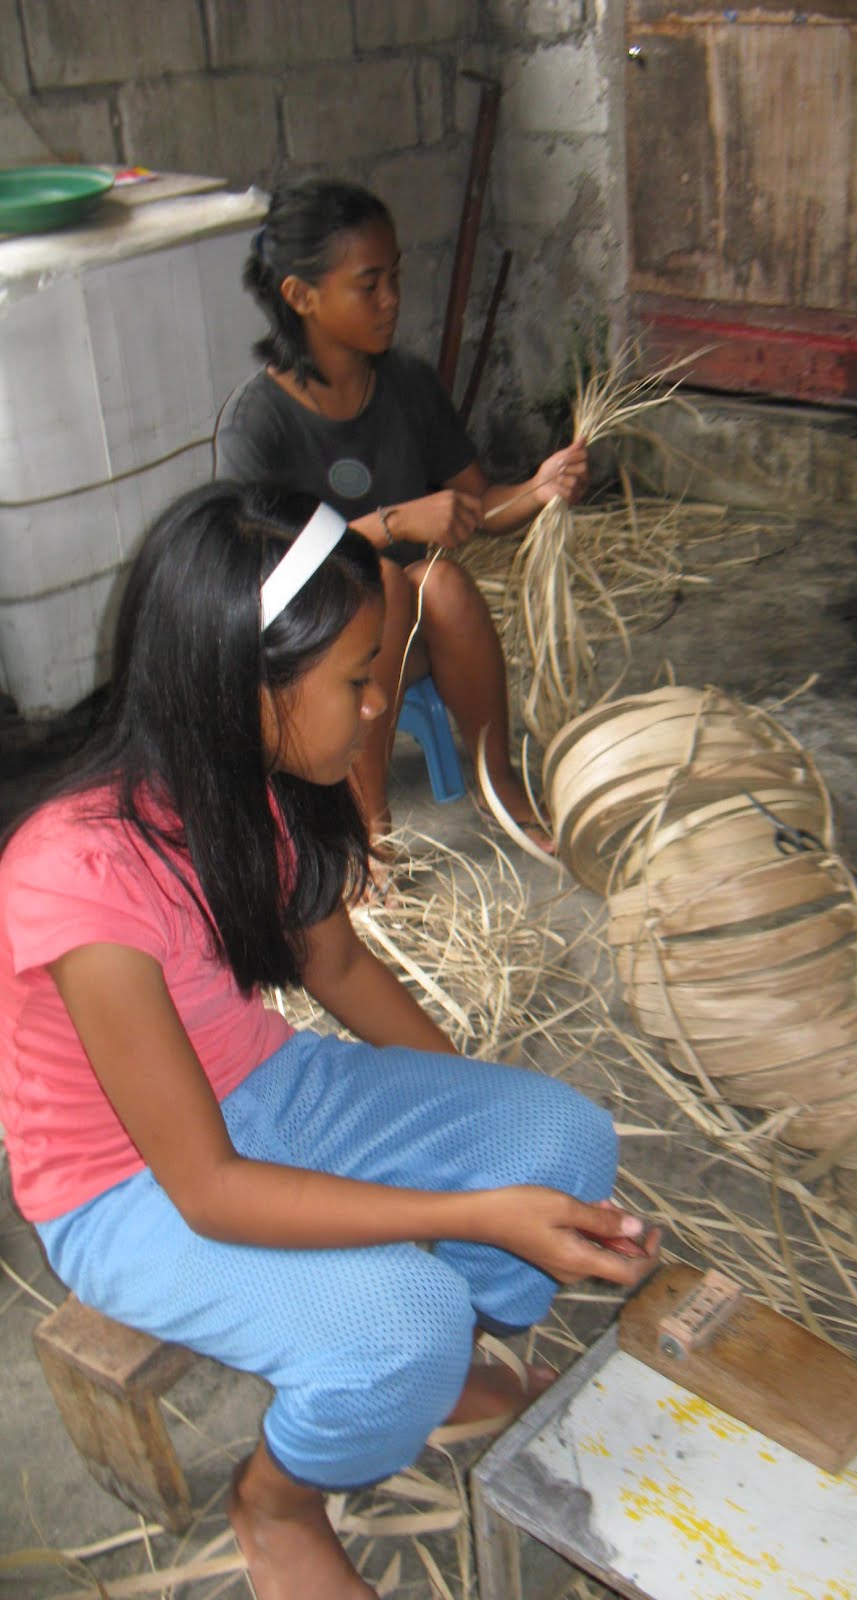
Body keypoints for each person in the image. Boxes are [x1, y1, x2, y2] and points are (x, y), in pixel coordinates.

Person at [0, 483, 659, 1600]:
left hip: (260, 1081)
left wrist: (484, 1139)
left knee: (561, 1137)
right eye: (356, 679)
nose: (373, 709)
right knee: (402, 1315)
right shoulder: (77, 875)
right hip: (127, 1187)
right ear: (245, 686)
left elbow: (339, 967)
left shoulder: (246, 779)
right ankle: (278, 1502)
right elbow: (208, 1186)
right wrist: (467, 1210)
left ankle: (434, 1369)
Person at [215, 178, 588, 846]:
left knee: (441, 581)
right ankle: (365, 828)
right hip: (305, 657)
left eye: (395, 277)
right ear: (302, 296)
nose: (392, 300)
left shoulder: (408, 384)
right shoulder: (257, 420)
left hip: (400, 638)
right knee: (380, 578)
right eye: (368, 284)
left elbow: (477, 503)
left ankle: (497, 785)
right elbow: (264, 578)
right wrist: (393, 525)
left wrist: (537, 487)